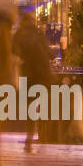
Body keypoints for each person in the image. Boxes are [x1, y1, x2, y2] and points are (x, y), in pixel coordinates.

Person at [12, 13, 54, 152]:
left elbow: (15, 54)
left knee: (30, 106)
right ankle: (45, 135)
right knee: (43, 104)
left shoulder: (19, 34)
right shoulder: (38, 32)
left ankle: (29, 139)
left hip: (28, 75)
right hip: (43, 74)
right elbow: (50, 53)